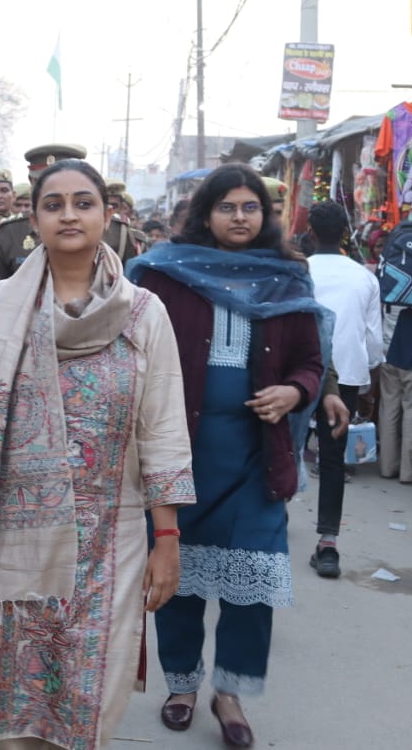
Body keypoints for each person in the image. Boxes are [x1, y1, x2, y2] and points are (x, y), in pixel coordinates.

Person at [0, 158, 196, 750]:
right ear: (32, 217)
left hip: (108, 541)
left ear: (106, 213)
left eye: (83, 202)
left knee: (86, 704)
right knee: (9, 704)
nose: (69, 213)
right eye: (53, 203)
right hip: (5, 540)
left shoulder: (145, 315)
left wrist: (166, 542)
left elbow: (163, 430)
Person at [127, 163, 327, 749]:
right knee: (175, 577)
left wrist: (295, 391)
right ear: (205, 214)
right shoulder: (165, 276)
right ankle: (183, 686)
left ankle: (230, 692)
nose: (240, 218)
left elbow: (311, 362)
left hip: (255, 457)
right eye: (228, 207)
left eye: (251, 208)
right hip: (178, 451)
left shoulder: (289, 278)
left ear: (265, 216)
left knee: (253, 583)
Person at [305, 202, 383, 578]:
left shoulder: (298, 271)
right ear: (346, 235)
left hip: (297, 374)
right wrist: (367, 380)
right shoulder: (364, 277)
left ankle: (267, 526)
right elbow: (373, 338)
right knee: (333, 460)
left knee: (281, 447)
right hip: (347, 376)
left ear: (310, 232)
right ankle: (328, 544)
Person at [0, 144, 86, 280]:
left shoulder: (95, 227)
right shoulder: (8, 233)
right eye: (43, 181)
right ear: (31, 181)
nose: (52, 188)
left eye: (61, 181)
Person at [379, 308, 412, 483]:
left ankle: (387, 466)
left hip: (389, 351)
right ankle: (408, 470)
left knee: (389, 409)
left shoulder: (392, 286)